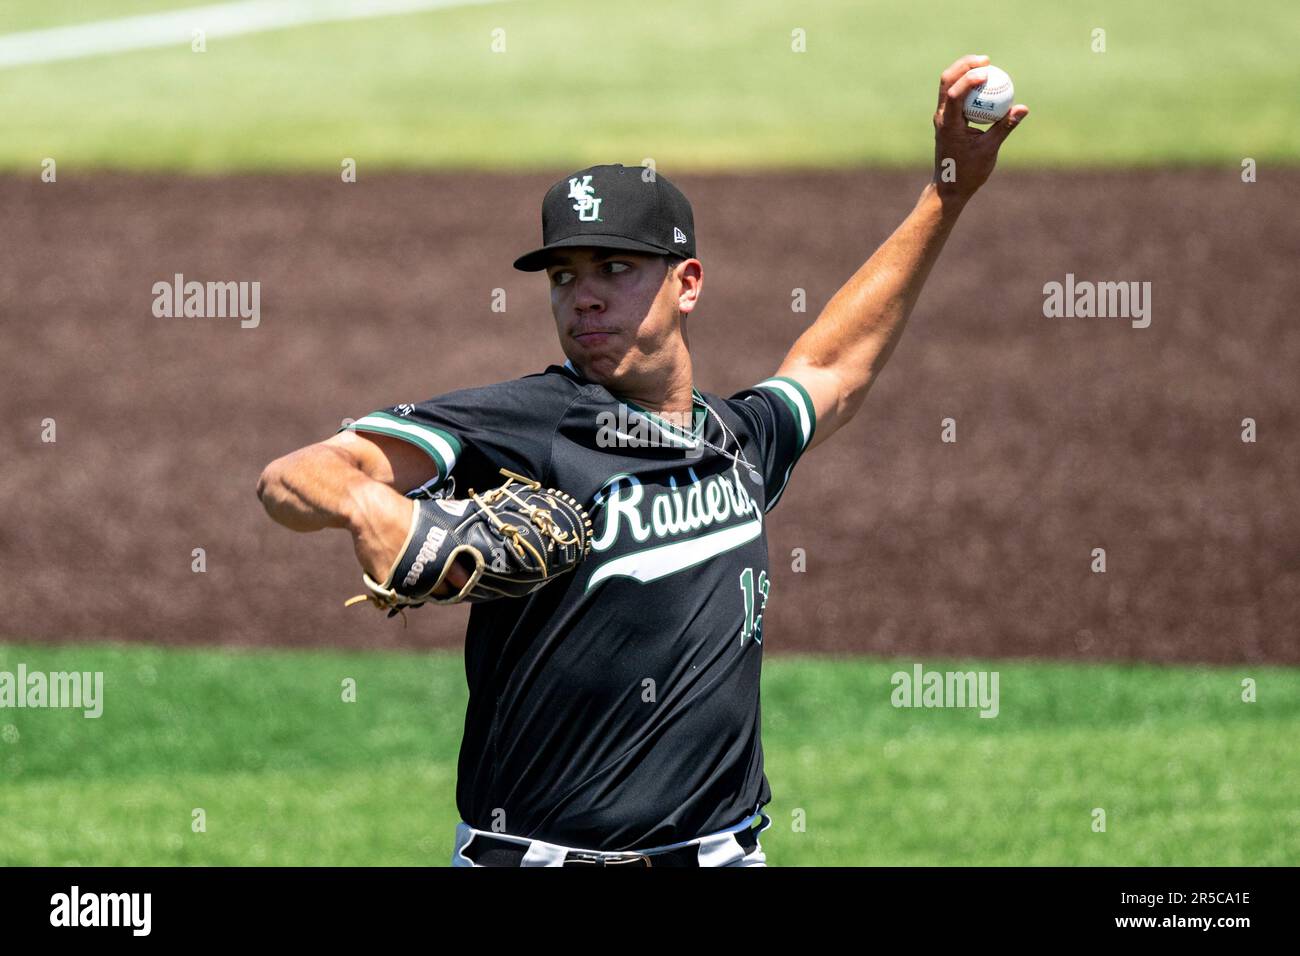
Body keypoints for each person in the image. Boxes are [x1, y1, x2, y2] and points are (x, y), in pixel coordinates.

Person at [256, 55, 1027, 866]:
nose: (582, 296)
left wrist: (947, 192)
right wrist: (372, 506)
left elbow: (833, 369)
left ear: (687, 282)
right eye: (564, 276)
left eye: (614, 270)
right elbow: (293, 477)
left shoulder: (739, 440)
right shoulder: (530, 421)